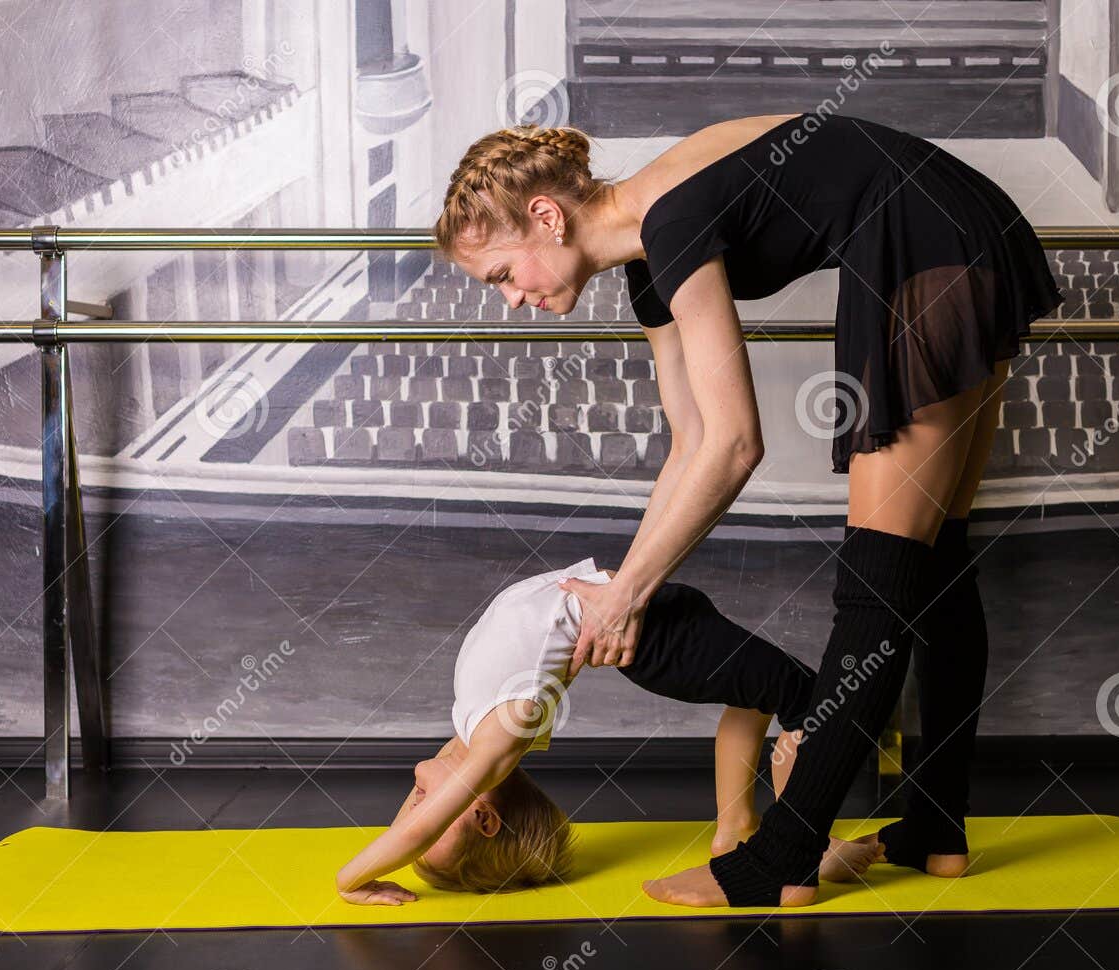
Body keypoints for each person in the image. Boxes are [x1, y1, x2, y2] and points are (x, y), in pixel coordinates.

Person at [434, 110, 1063, 907]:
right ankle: (936, 829)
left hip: (922, 236)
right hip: (948, 223)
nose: (511, 299)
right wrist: (625, 591)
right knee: (935, 559)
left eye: (501, 274)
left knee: (878, 582)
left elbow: (736, 444)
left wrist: (625, 596)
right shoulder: (649, 261)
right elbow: (690, 442)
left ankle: (783, 861)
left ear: (546, 217)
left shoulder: (670, 221)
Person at [333, 559, 880, 905]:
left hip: (652, 618)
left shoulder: (468, 733)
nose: (412, 814)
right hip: (657, 640)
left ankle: (736, 828)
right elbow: (416, 832)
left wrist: (360, 872)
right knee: (810, 703)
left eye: (416, 823)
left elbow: (417, 825)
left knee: (757, 696)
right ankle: (808, 844)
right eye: (430, 826)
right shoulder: (499, 739)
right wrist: (350, 879)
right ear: (481, 816)